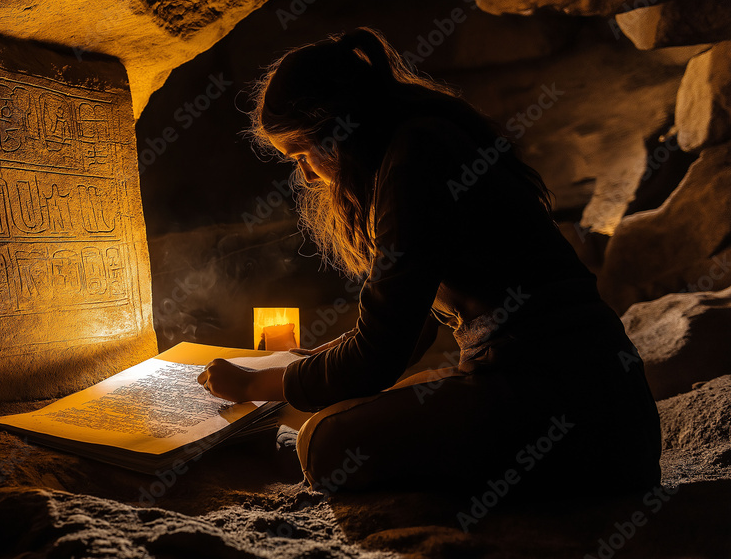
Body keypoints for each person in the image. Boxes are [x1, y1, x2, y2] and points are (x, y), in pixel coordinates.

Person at [196, 27, 661, 497]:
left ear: (337, 132)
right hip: (611, 403)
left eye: (301, 154)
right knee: (365, 406)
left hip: (563, 403)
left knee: (323, 442)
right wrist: (313, 359)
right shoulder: (425, 136)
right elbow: (409, 323)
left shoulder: (415, 159)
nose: (305, 174)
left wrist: (255, 383)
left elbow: (378, 357)